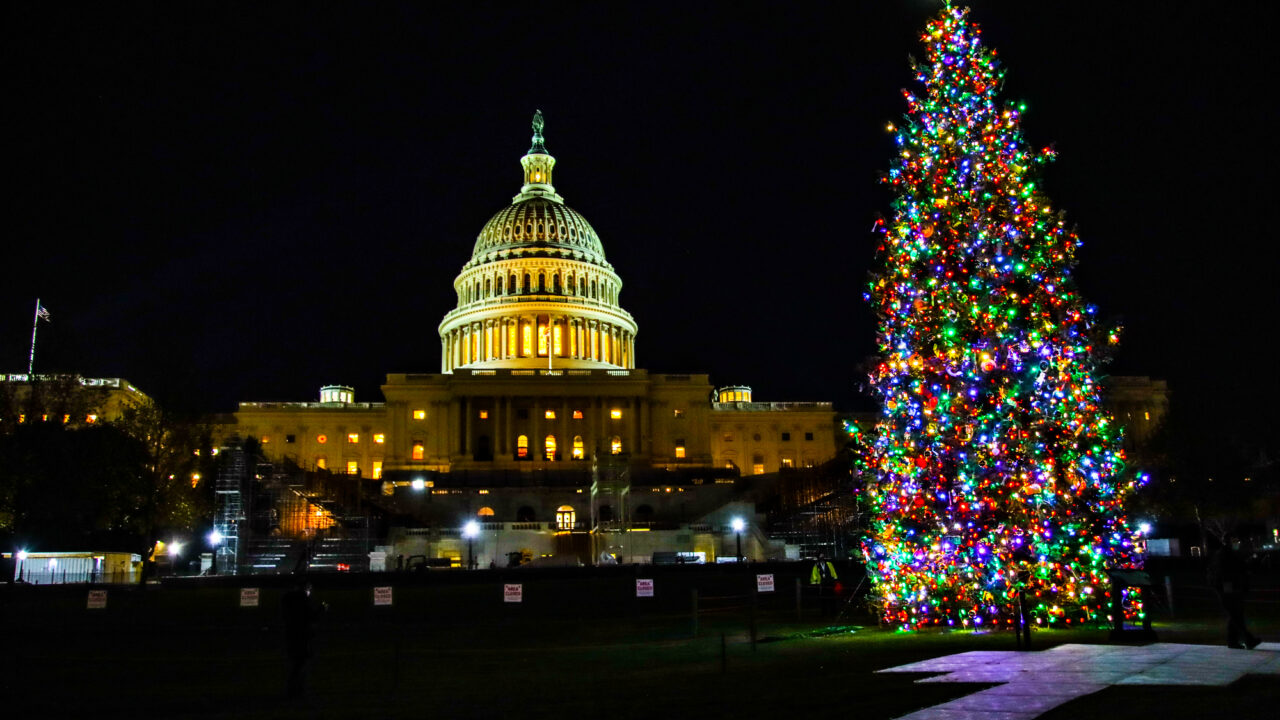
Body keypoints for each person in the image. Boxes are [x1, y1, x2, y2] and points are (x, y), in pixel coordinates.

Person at [1207, 535, 1262, 649]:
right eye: (1235, 541)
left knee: (1235, 616)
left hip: (1231, 589)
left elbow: (1239, 568)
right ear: (1228, 542)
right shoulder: (1225, 555)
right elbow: (1225, 573)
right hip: (1228, 590)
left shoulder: (1228, 554)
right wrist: (1229, 590)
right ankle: (1248, 639)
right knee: (1236, 615)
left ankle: (1233, 641)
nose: (1237, 543)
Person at [282, 582, 320, 699]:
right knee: (300, 665)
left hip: (293, 636)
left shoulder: (289, 602)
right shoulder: (303, 601)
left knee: (296, 665)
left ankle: (293, 690)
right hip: (302, 636)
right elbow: (311, 616)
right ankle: (299, 690)